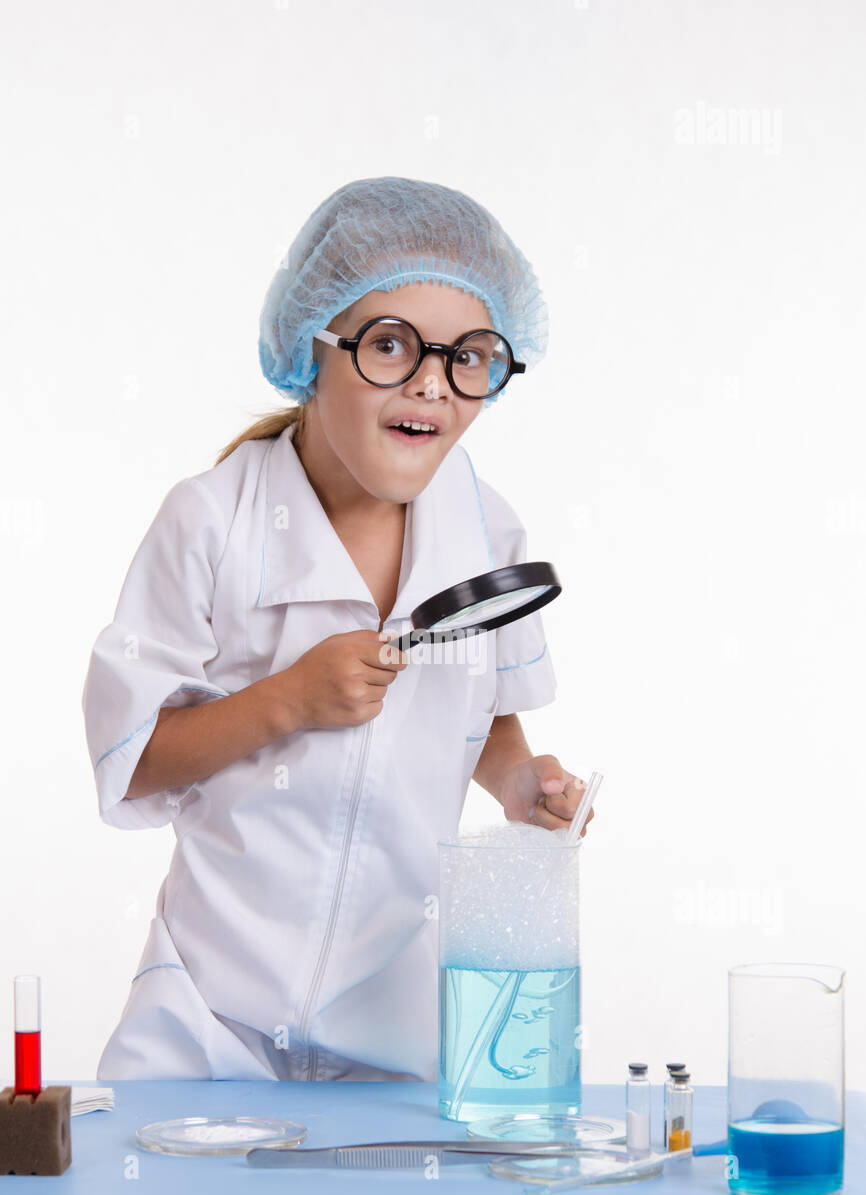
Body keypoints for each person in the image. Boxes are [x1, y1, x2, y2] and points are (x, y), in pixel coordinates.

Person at [82, 175, 594, 1082]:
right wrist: (286, 701)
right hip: (206, 1025)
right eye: (390, 345)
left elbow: (486, 710)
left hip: (395, 1036)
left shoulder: (486, 532)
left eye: (469, 356)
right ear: (311, 349)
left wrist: (521, 782)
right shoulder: (210, 523)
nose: (433, 386)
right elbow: (131, 756)